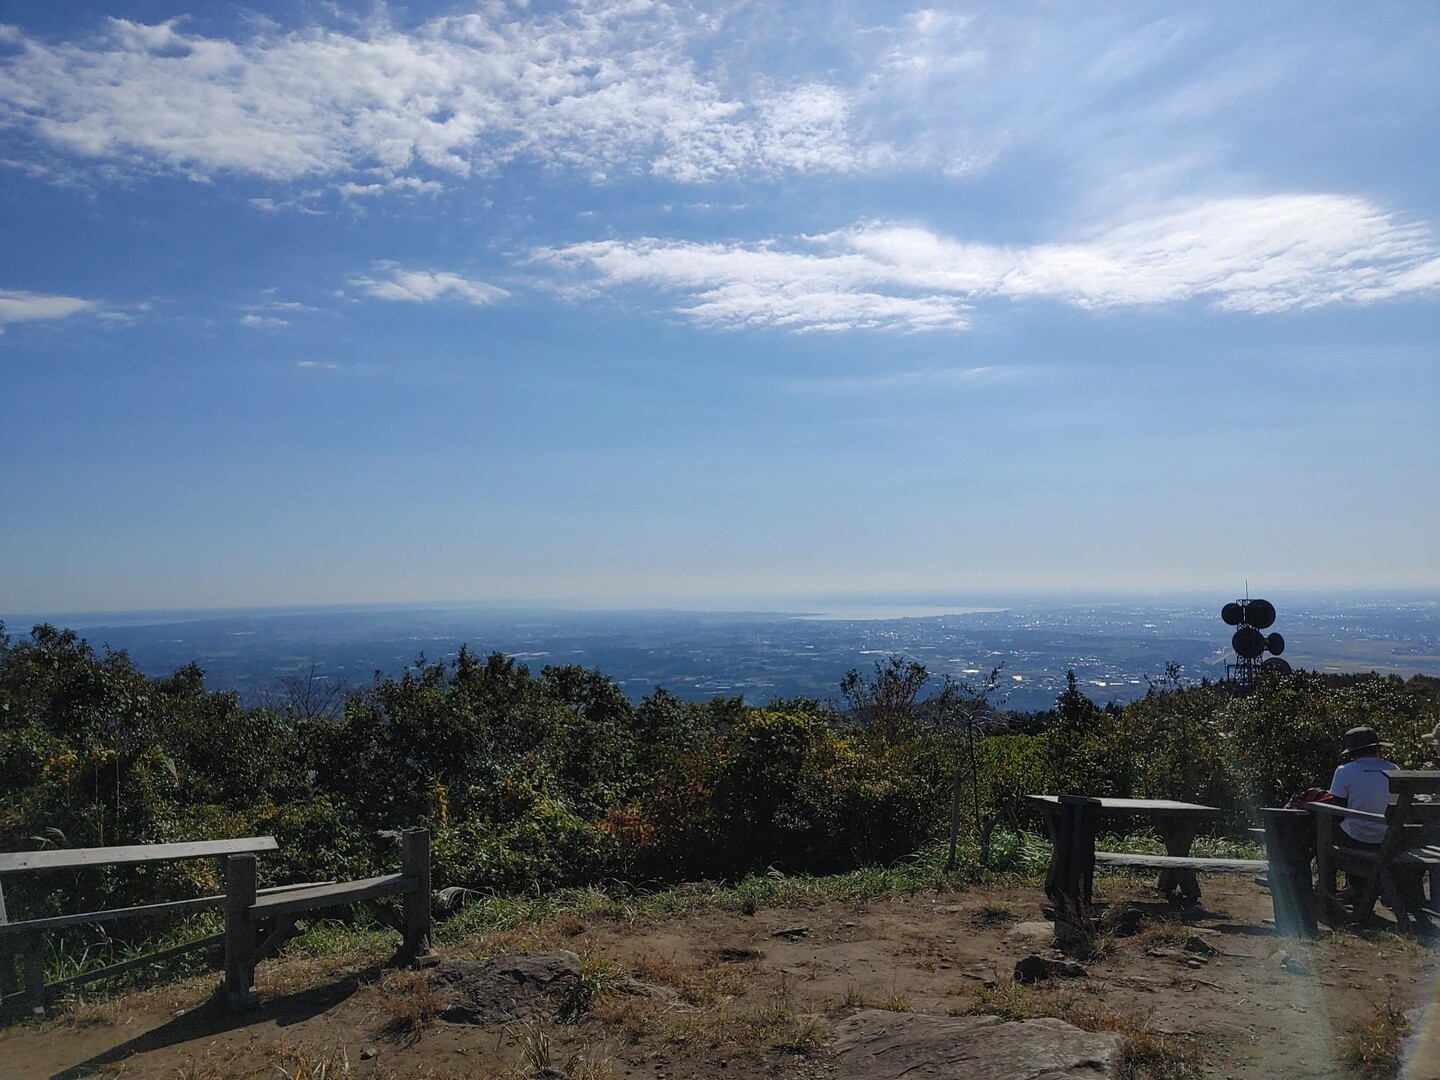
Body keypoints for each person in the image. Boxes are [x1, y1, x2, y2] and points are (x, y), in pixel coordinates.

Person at [1328, 726, 1423, 913]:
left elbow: (1336, 810)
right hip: (1390, 839)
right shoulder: (1393, 769)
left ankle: (1329, 895)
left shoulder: (1344, 771)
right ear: (1377, 748)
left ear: (1352, 752)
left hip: (1356, 839)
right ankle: (1361, 890)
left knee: (1324, 830)